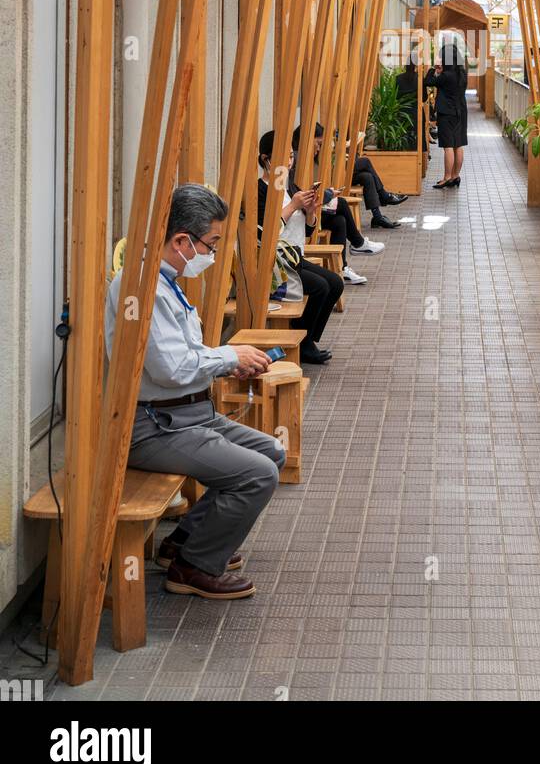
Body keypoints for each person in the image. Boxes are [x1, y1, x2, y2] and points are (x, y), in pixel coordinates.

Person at [104, 184, 284, 601]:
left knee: (271, 452)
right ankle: (194, 567)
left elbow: (185, 354)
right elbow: (171, 367)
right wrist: (227, 356)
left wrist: (231, 360)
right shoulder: (140, 289)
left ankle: (183, 543)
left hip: (188, 416)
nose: (213, 255)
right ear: (182, 241)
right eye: (212, 244)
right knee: (258, 474)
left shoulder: (166, 282)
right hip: (156, 427)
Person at [257, 131, 343, 364]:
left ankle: (307, 338)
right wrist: (294, 206)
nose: (288, 161)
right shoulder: (261, 190)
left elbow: (307, 231)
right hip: (276, 263)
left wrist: (311, 211)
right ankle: (303, 343)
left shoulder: (289, 186)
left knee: (335, 283)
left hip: (294, 256)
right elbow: (262, 234)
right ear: (266, 159)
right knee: (320, 287)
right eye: (283, 156)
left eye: (291, 156)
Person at [293, 122, 408, 232]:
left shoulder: (314, 153)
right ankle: (384, 195)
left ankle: (377, 217)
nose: (319, 148)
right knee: (366, 162)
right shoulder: (299, 159)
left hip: (337, 172)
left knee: (367, 177)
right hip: (334, 175)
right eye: (319, 144)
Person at [426, 36, 468, 188]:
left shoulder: (445, 76)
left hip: (446, 113)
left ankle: (447, 177)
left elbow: (428, 81)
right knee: (458, 144)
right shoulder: (462, 73)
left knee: (448, 146)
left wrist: (433, 68)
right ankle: (456, 176)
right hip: (461, 112)